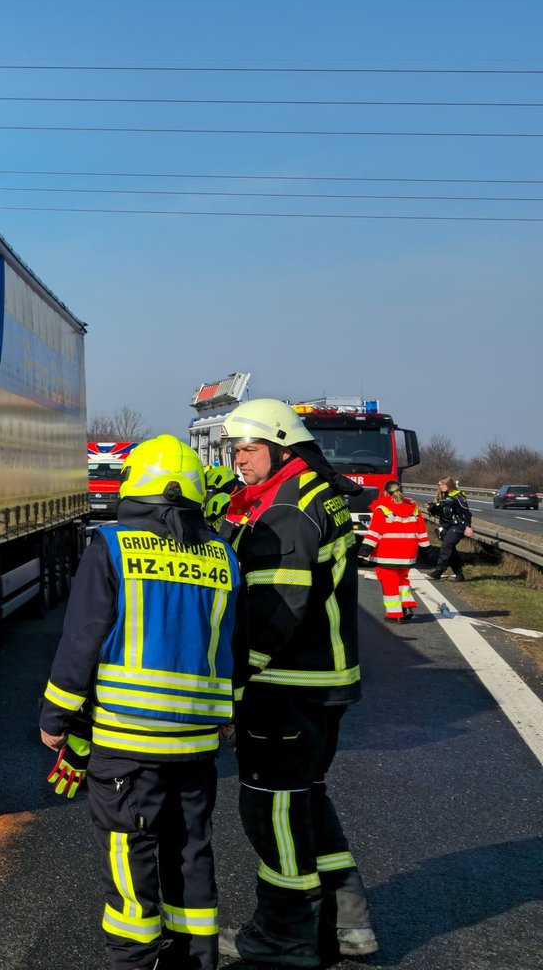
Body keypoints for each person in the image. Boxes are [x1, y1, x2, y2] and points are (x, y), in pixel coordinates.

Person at [39, 435, 241, 970]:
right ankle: (194, 959)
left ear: (134, 488)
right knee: (190, 848)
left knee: (130, 852)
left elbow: (82, 639)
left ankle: (132, 962)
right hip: (196, 743)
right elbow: (231, 643)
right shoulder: (223, 554)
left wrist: (57, 717)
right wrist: (229, 714)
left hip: (127, 742)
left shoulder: (112, 546)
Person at [214, 398, 374, 965]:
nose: (239, 460)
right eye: (235, 450)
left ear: (282, 447)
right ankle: (346, 924)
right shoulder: (309, 493)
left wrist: (233, 688)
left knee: (272, 808)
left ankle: (286, 933)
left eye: (250, 449)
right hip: (319, 681)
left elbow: (273, 610)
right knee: (306, 799)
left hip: (285, 684)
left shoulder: (285, 509)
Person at [363, 481, 425, 621]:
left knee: (389, 583)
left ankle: (395, 614)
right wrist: (427, 551)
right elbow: (422, 533)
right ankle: (406, 607)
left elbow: (374, 533)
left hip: (387, 554)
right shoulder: (414, 510)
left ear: (385, 493)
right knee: (402, 580)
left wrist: (364, 550)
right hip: (408, 554)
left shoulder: (382, 510)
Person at [424, 477, 472, 581]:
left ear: (448, 484)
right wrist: (432, 508)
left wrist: (468, 526)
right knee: (450, 550)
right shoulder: (442, 497)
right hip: (446, 526)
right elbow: (441, 512)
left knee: (446, 546)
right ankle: (459, 575)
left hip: (457, 525)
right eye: (439, 485)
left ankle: (439, 571)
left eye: (442, 484)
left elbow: (466, 512)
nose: (440, 487)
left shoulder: (457, 495)